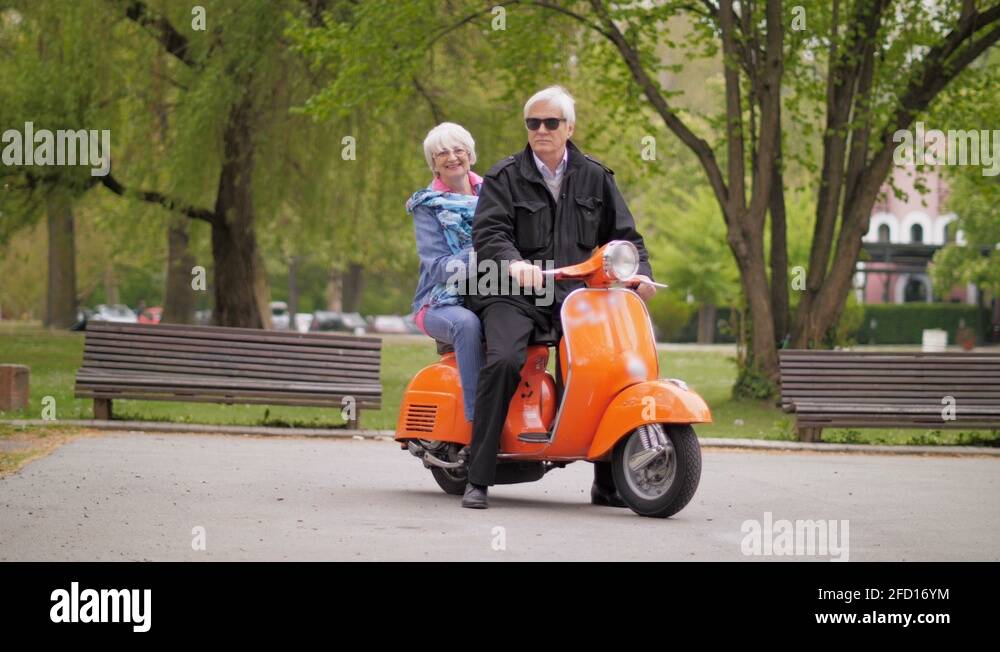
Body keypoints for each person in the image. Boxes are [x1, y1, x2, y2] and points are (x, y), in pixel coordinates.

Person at [462, 86, 657, 509]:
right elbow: (489, 233)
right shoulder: (504, 175)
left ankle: (607, 482)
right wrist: (513, 263)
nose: (542, 130)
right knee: (504, 361)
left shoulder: (595, 176)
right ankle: (478, 476)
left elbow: (625, 237)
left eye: (551, 122)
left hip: (576, 296)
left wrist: (640, 275)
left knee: (606, 367)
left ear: (569, 127)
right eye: (533, 123)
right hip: (511, 292)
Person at [406, 122, 484, 423]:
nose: (452, 157)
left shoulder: (494, 194)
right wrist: (484, 249)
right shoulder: (427, 206)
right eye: (441, 153)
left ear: (470, 154)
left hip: (492, 290)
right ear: (433, 163)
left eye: (458, 149)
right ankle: (479, 422)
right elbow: (439, 268)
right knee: (465, 324)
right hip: (438, 303)